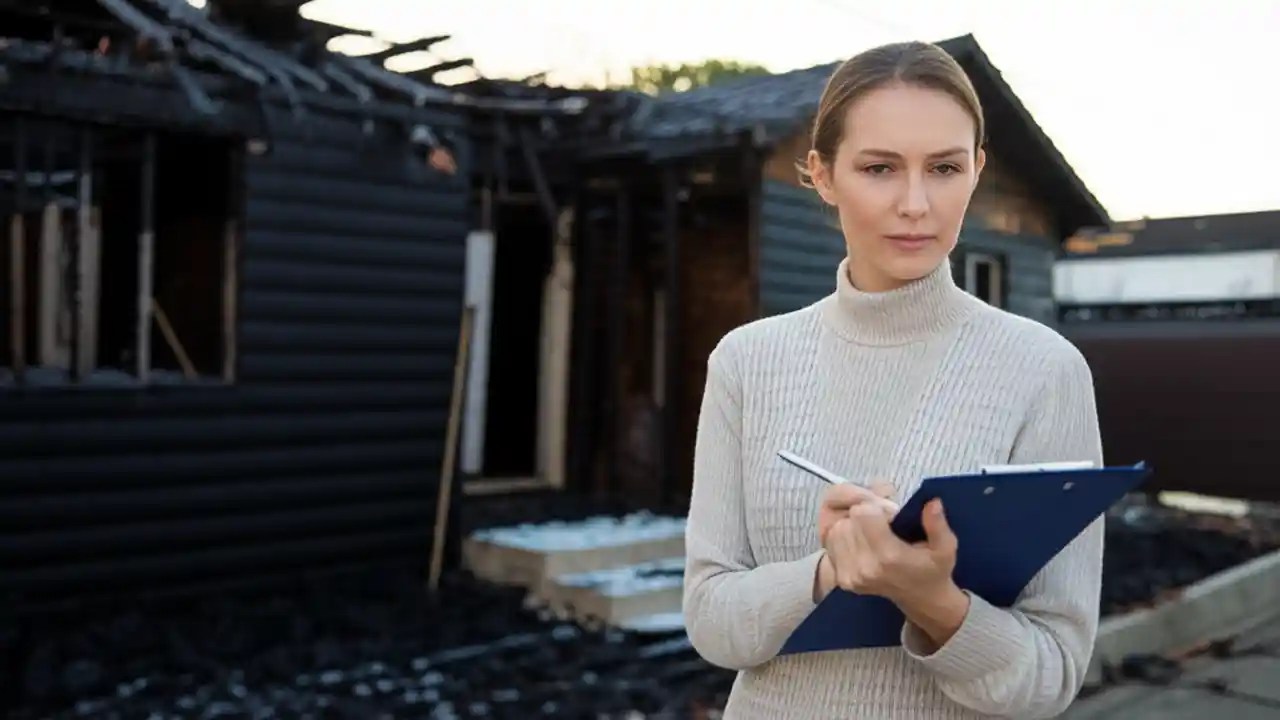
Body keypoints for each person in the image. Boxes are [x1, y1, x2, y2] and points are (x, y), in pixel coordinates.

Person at [681, 40, 1105, 719]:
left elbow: (1051, 676)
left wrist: (931, 599)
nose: (916, 203)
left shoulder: (1044, 369)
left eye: (944, 168)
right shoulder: (747, 361)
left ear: (977, 173)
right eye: (880, 168)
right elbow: (712, 623)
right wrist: (828, 571)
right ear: (822, 175)